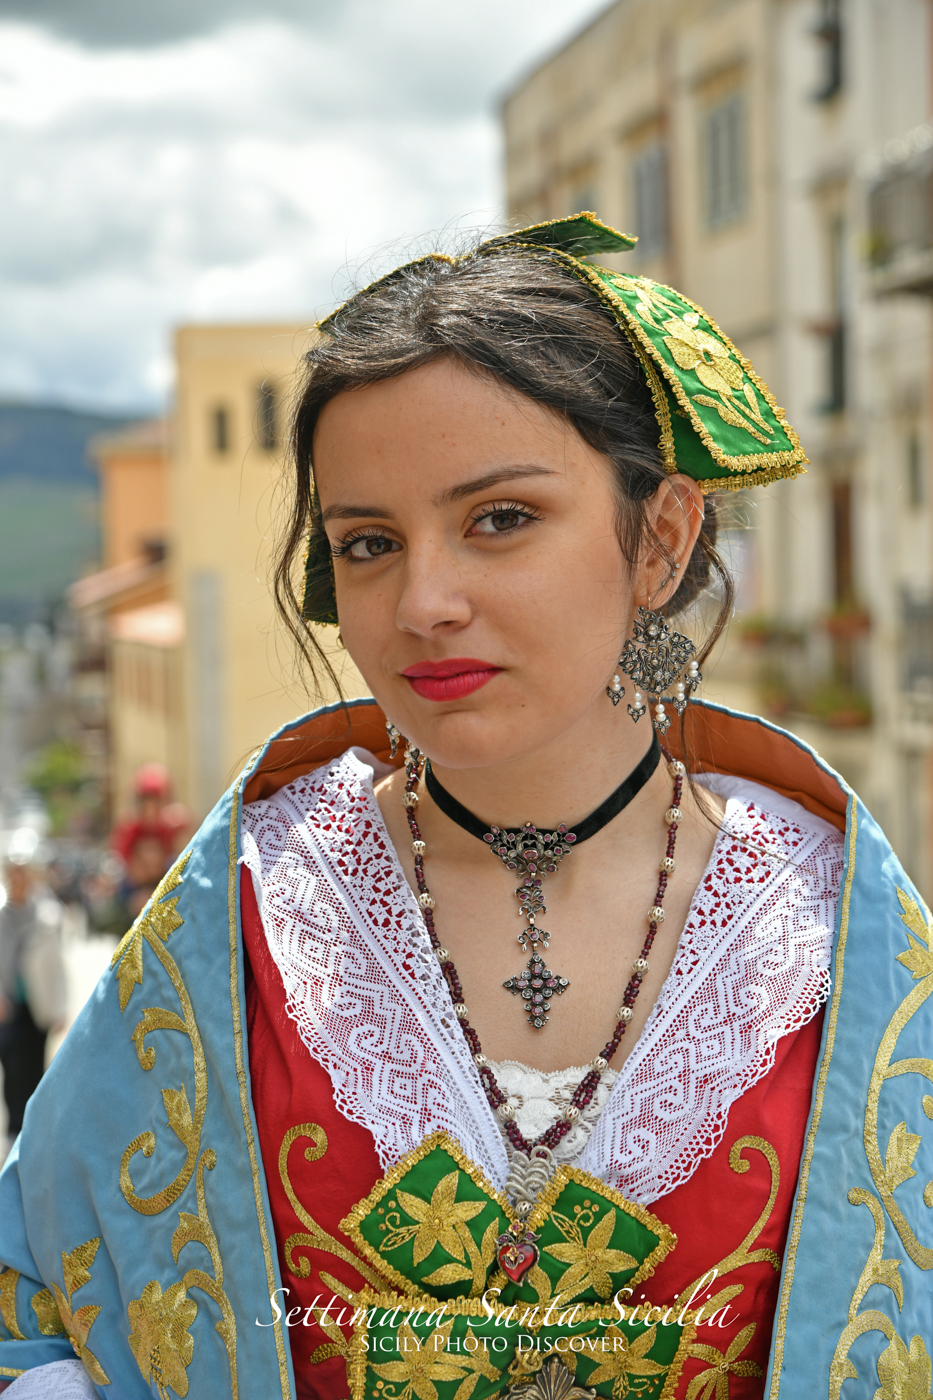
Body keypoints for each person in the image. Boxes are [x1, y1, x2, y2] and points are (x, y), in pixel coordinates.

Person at [0, 214, 928, 1399]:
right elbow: (35, 1297)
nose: (423, 600)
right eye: (370, 542)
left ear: (661, 537)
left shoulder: (834, 929)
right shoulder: (247, 909)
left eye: (500, 519)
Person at [0, 860, 66, 1153]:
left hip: (37, 1006)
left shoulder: (47, 916)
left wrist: (60, 1007)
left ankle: (32, 1126)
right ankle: (15, 1127)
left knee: (34, 1067)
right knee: (11, 1068)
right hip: (7, 1006)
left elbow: (58, 967)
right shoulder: (2, 916)